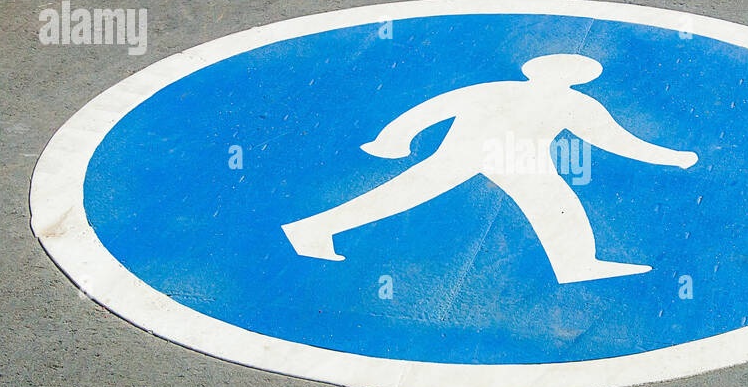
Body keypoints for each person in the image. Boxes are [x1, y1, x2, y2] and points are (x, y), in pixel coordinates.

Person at [282, 53, 697, 283]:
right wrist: (673, 158)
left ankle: (577, 265)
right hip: (488, 155)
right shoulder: (571, 102)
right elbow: (618, 141)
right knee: (403, 195)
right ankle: (312, 229)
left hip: (509, 158)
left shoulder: (508, 90)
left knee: (555, 205)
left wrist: (395, 138)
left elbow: (429, 110)